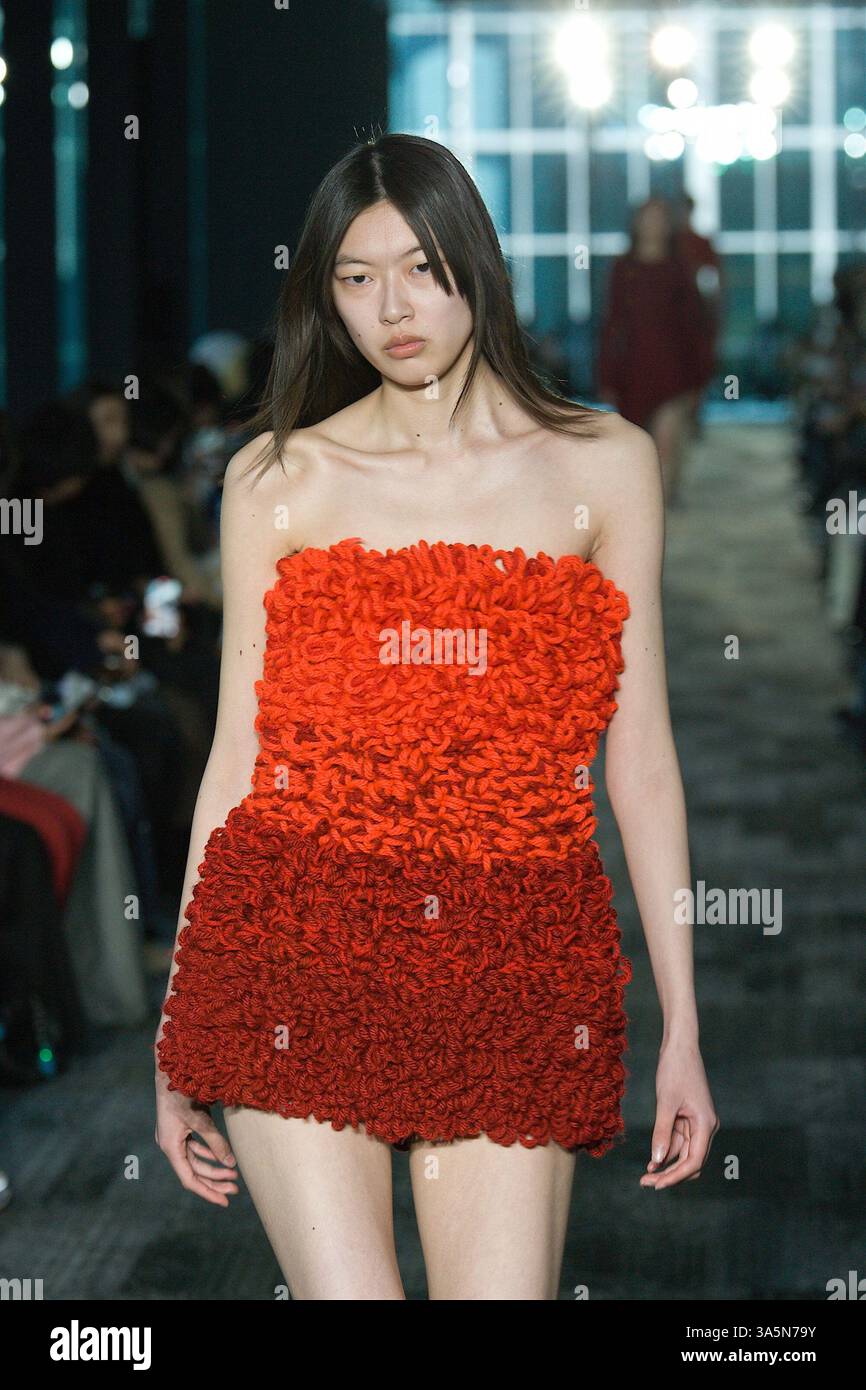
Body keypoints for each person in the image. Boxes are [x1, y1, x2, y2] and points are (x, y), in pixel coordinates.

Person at [154, 133, 718, 1301]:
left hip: (515, 958)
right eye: (354, 279)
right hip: (295, 949)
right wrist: (179, 1026)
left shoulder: (602, 464)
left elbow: (643, 762)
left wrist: (682, 1026)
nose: (390, 307)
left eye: (417, 267)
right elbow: (236, 762)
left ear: (474, 264)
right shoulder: (277, 481)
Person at [597, 196, 708, 506]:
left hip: (672, 369)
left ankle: (657, 507)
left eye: (659, 217)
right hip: (633, 371)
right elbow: (612, 324)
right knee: (634, 445)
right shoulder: (623, 268)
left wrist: (699, 374)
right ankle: (639, 503)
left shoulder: (679, 268)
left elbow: (694, 323)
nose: (653, 224)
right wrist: (606, 375)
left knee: (666, 444)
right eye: (648, 217)